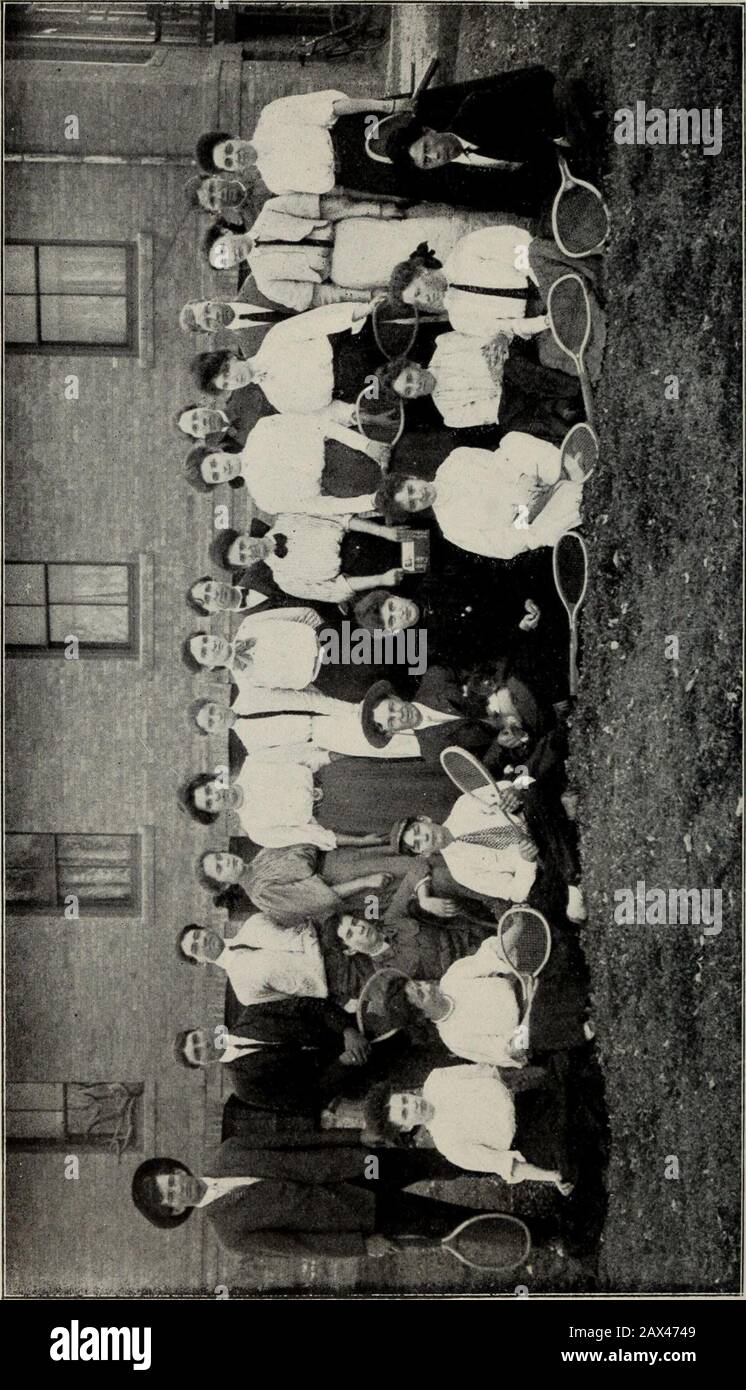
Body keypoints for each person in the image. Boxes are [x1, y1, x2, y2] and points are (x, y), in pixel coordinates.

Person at [132, 1139, 519, 1260]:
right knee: (447, 1222)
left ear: (178, 1170)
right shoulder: (230, 1233)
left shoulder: (229, 1151)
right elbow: (300, 1247)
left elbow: (297, 1141)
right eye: (170, 1196)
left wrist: (355, 1140)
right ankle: (546, 1236)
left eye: (171, 1180)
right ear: (176, 1210)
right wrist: (360, 1247)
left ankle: (519, 1162)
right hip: (359, 1215)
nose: (177, 1188)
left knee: (435, 1163)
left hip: (357, 1167)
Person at [375, 429, 588, 560]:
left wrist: (522, 478)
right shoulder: (452, 529)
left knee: (512, 442)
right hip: (533, 518)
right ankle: (577, 484)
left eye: (411, 489)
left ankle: (571, 471)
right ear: (415, 511)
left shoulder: (455, 460)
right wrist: (527, 511)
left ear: (412, 477)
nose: (418, 497)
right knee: (538, 534)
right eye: (412, 504)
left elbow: (499, 460)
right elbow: (506, 546)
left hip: (532, 475)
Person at [364, 1063, 574, 1188]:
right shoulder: (449, 1146)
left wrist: (535, 1077)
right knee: (569, 1147)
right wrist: (551, 1177)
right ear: (406, 1127)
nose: (413, 1104)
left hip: (528, 1101)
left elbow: (492, 1072)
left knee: (570, 1093)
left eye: (405, 1099)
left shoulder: (436, 1080)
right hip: (530, 1137)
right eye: (405, 1112)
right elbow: (504, 1164)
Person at [388, 233, 548, 340]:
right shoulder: (458, 320)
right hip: (538, 314)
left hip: (542, 272)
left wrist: (542, 281)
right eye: (418, 301)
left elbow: (517, 241)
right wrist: (544, 322)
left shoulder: (464, 250)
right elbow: (508, 327)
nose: (425, 300)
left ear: (422, 271)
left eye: (418, 292)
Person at [211, 521, 405, 606]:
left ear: (244, 535)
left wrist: (383, 531)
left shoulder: (288, 518)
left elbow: (339, 519)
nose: (249, 552)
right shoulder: (286, 582)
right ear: (245, 567)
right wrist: (382, 579)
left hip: (373, 536)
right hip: (370, 574)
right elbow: (336, 590)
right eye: (243, 558)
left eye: (242, 546)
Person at [177, 918, 328, 1007]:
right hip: (334, 983)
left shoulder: (253, 923)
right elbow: (294, 1005)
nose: (202, 941)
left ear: (205, 928)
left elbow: (299, 921)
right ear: (200, 962)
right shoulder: (244, 991)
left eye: (198, 934)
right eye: (195, 948)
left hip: (332, 937)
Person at [181, 606, 323, 689]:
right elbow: (295, 698)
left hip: (329, 640)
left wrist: (327, 632)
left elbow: (304, 614)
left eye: (206, 640)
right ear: (209, 667)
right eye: (204, 652)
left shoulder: (250, 623)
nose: (211, 645)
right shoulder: (248, 685)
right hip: (324, 678)